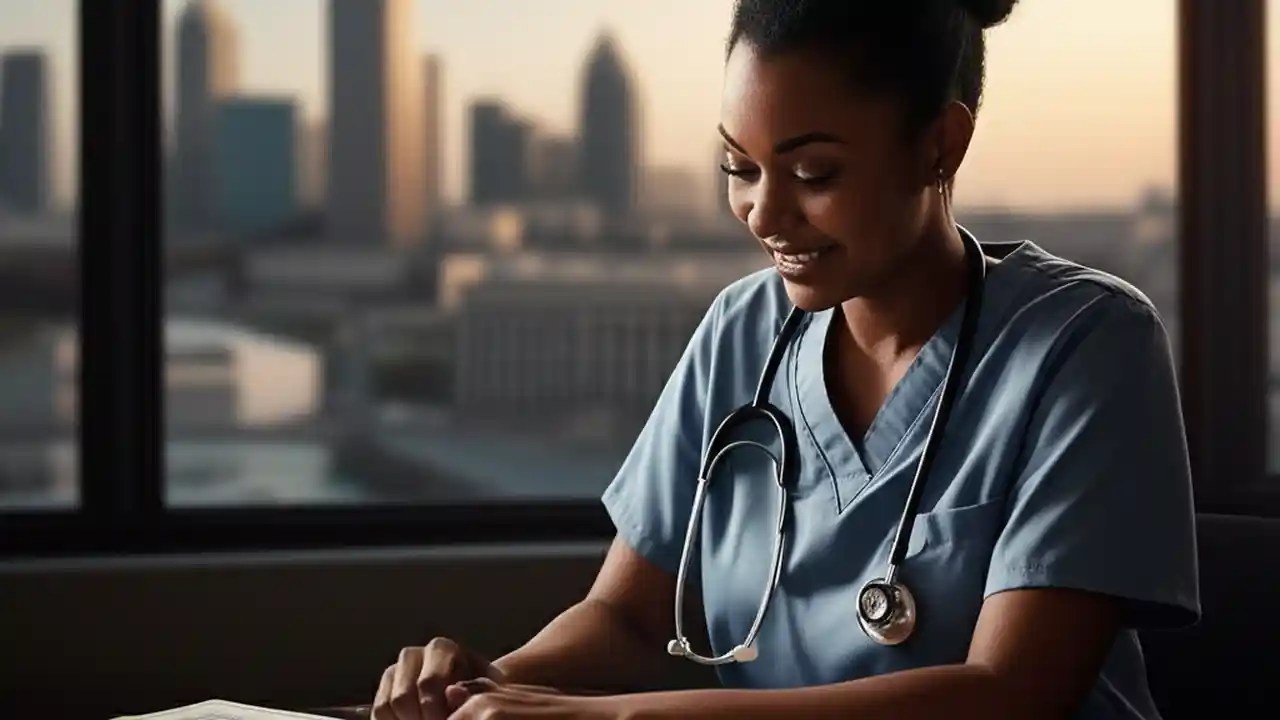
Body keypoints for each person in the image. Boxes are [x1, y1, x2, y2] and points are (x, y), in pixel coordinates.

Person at [371, 0, 1200, 717]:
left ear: (940, 145)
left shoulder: (1089, 344)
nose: (763, 214)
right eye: (738, 167)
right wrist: (487, 689)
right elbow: (625, 620)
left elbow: (1009, 696)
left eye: (812, 172)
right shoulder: (743, 328)